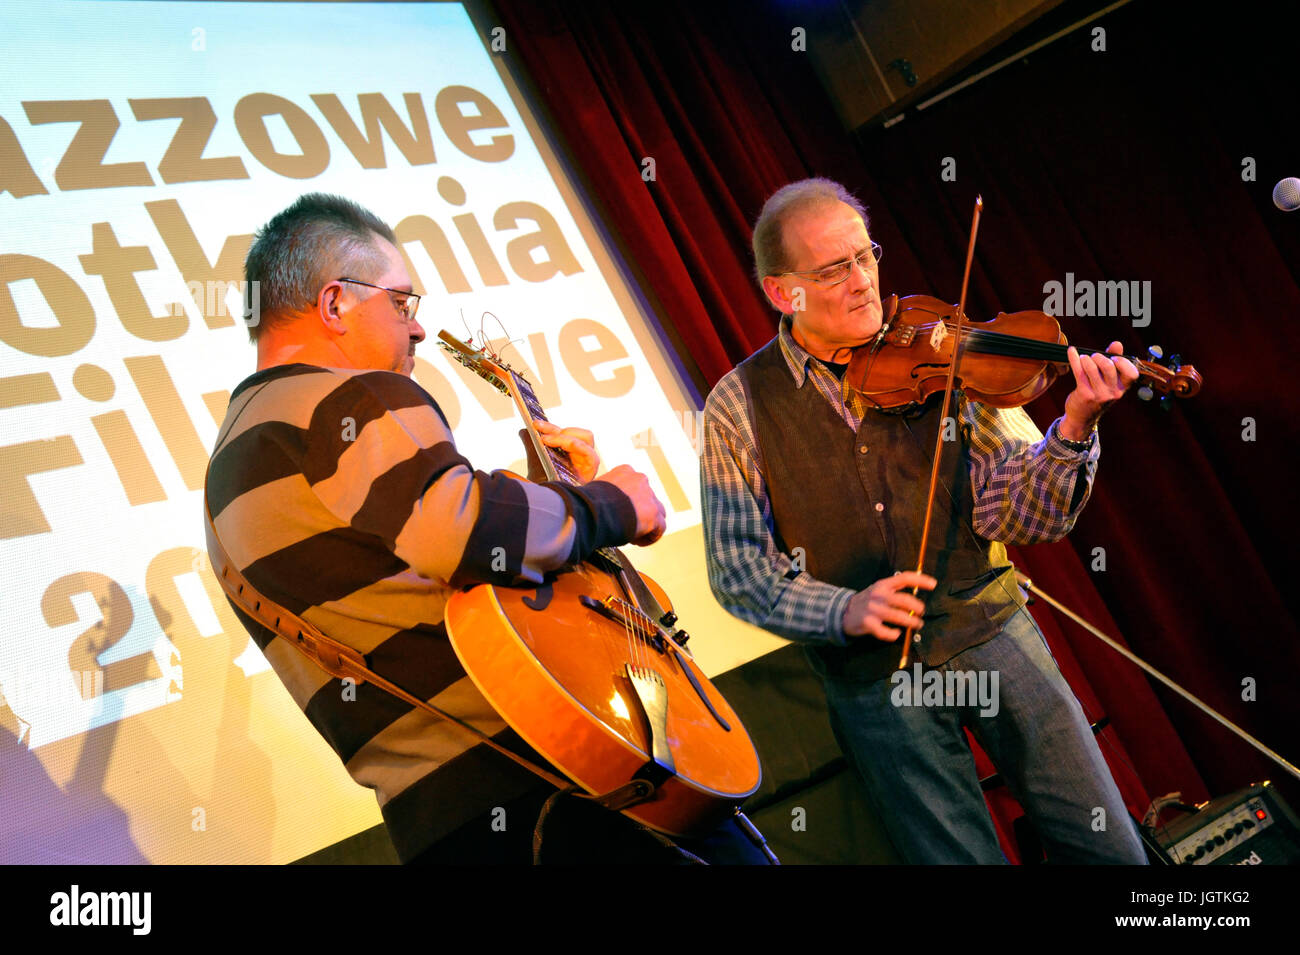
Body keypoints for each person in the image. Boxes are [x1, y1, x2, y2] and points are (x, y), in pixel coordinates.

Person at [205, 193, 765, 864]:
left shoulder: (229, 469)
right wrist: (609, 504)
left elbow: (418, 582)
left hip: (446, 829)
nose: (415, 330)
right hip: (559, 792)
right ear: (334, 304)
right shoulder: (351, 395)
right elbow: (458, 531)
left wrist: (542, 494)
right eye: (401, 303)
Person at [701, 177, 1148, 863]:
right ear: (781, 292)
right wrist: (843, 610)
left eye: (865, 256)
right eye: (832, 270)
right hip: (875, 680)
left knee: (1110, 849)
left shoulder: (943, 349)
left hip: (991, 626)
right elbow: (738, 569)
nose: (862, 283)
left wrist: (1074, 427)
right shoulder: (737, 406)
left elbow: (1019, 511)